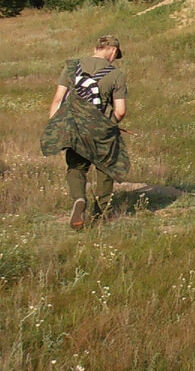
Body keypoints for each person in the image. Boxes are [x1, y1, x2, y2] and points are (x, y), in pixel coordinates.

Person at [41, 35, 129, 229]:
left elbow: (57, 99)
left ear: (96, 47)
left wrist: (57, 128)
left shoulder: (72, 67)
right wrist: (110, 125)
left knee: (76, 168)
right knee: (106, 169)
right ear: (113, 51)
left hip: (74, 129)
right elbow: (121, 110)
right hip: (101, 131)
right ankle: (99, 216)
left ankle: (79, 199)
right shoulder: (116, 75)